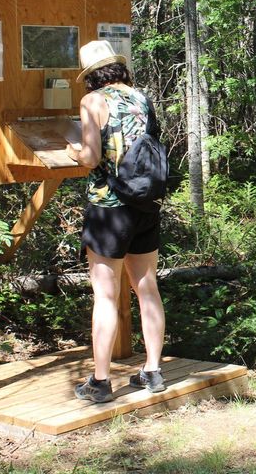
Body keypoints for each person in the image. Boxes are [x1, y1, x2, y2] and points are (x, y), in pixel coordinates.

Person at [65, 40, 167, 403]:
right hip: (144, 202)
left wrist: (74, 151)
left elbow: (92, 158)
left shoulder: (92, 101)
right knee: (147, 288)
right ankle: (152, 371)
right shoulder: (141, 98)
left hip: (109, 208)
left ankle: (101, 381)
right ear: (118, 67)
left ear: (91, 75)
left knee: (106, 297)